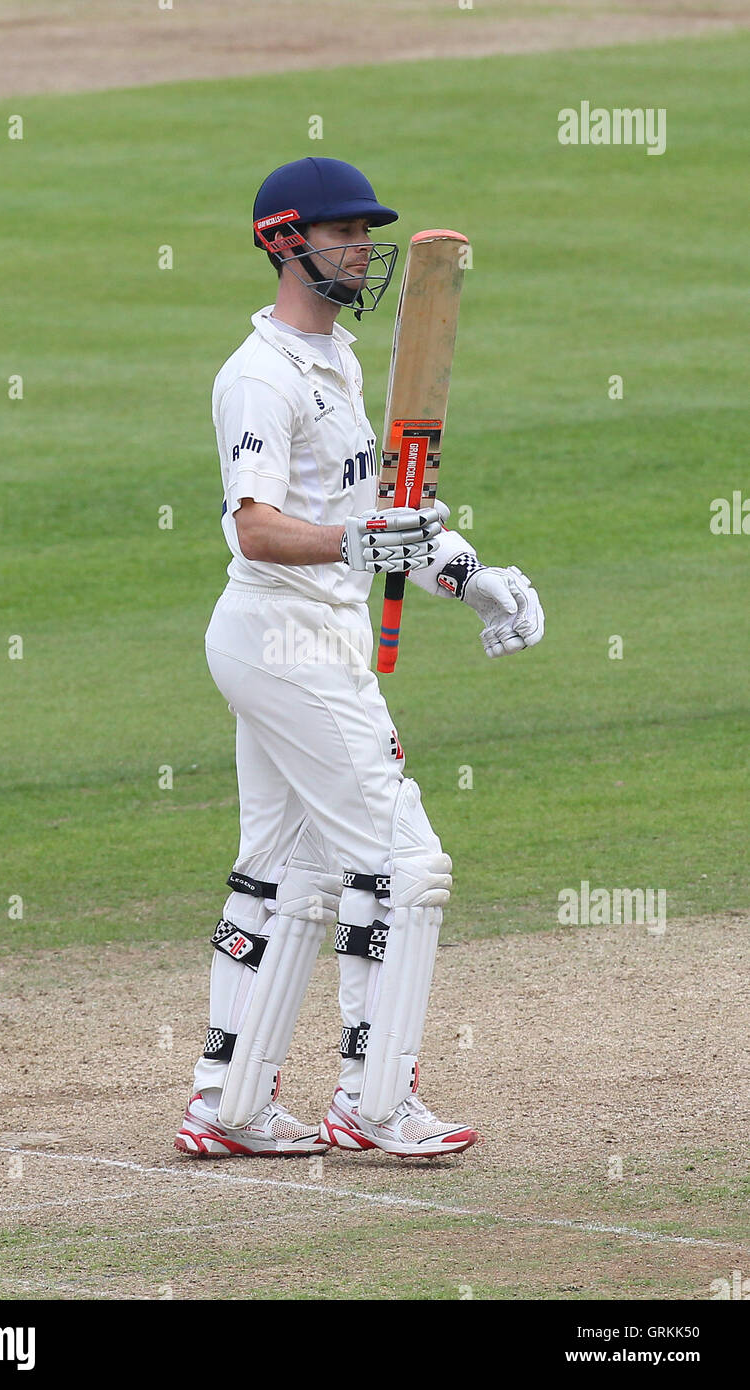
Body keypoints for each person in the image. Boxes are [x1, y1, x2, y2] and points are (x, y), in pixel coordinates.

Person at [175, 157, 544, 1159]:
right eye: (343, 232)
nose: (362, 249)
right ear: (284, 240)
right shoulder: (255, 377)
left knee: (285, 874)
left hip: (300, 635)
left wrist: (470, 574)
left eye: (365, 232)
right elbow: (255, 528)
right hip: (285, 636)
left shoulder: (335, 360)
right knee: (403, 863)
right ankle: (374, 1100)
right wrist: (353, 547)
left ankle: (229, 1101)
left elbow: (379, 516)